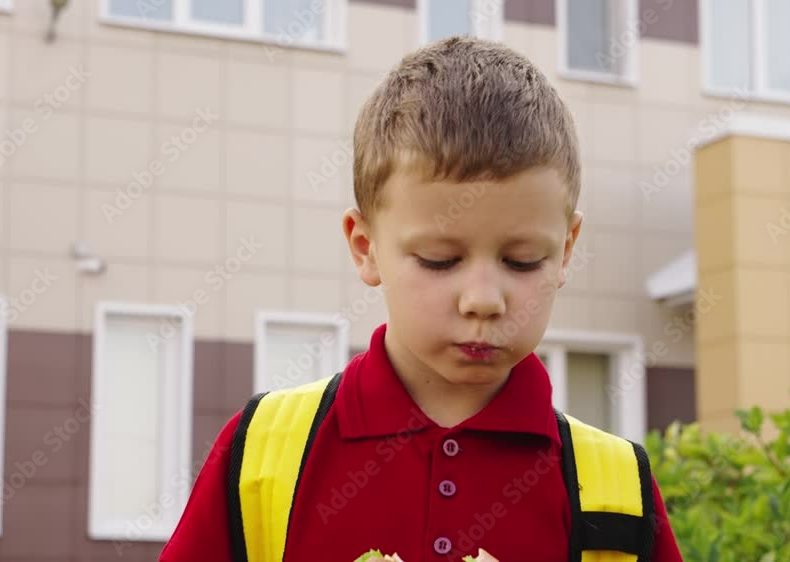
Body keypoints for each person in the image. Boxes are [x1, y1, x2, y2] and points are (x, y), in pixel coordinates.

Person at [159, 36, 683, 562]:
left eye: (523, 260)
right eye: (439, 259)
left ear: (566, 250)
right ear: (366, 248)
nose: (483, 301)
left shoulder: (618, 494)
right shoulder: (262, 456)